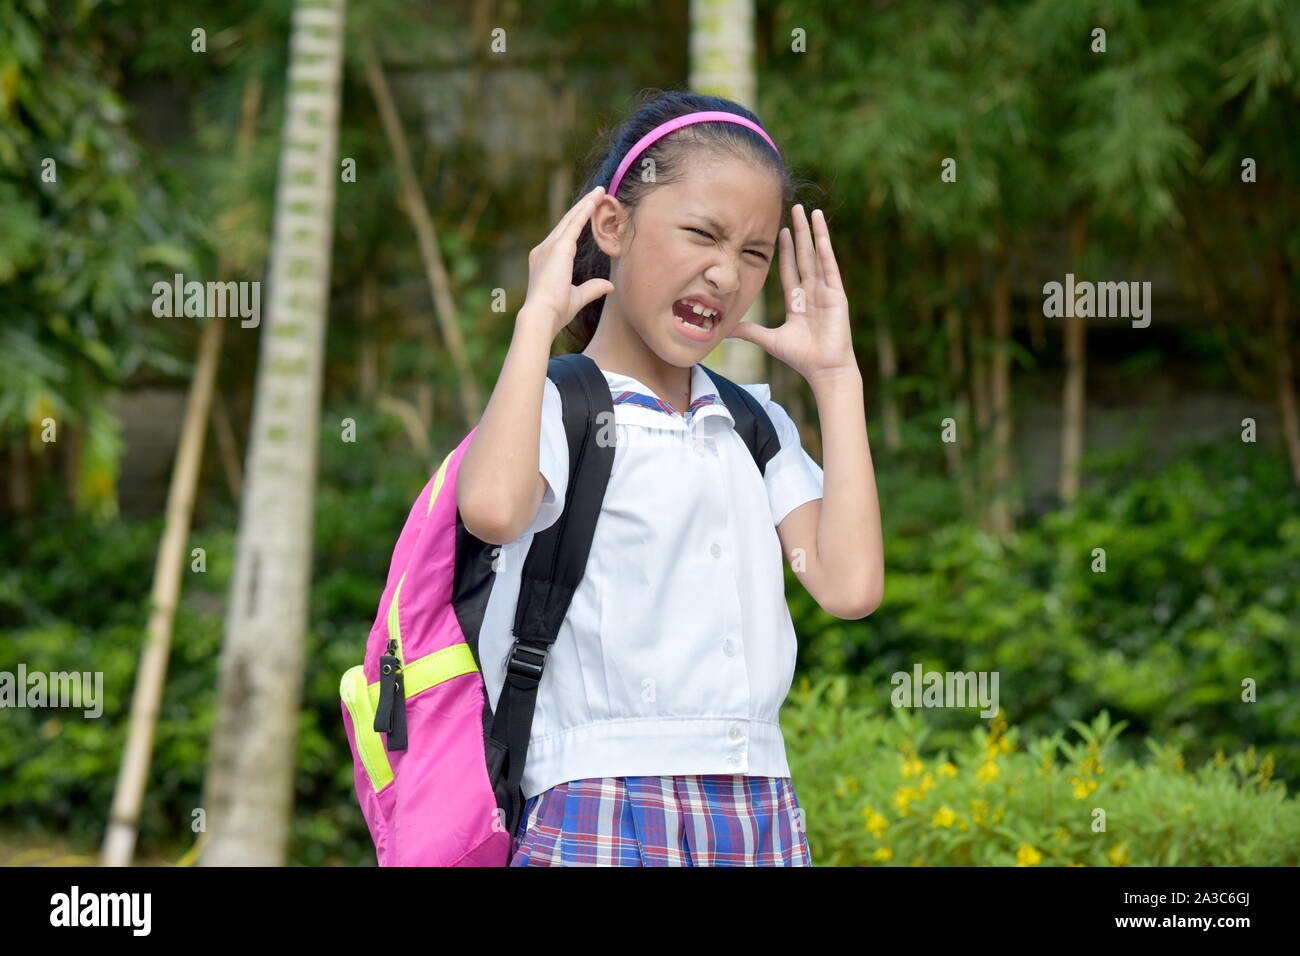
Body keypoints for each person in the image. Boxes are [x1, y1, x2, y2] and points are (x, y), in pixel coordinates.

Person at [456, 88, 883, 866]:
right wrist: (534, 321)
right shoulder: (561, 402)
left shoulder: (753, 423)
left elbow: (848, 588)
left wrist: (838, 378)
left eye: (754, 253)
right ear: (612, 226)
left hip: (757, 800)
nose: (725, 273)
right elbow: (490, 509)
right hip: (597, 796)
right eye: (702, 234)